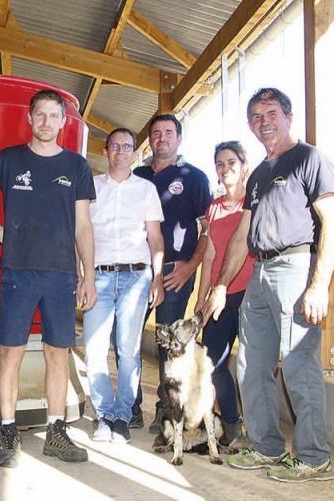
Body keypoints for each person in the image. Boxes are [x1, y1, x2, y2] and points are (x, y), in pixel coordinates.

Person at [204, 88, 334, 482]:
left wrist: (319, 284)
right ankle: (265, 447)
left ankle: (314, 456)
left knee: (299, 364)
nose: (264, 122)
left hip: (297, 266)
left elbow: (333, 221)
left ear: (288, 116)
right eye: (256, 116)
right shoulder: (261, 174)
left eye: (271, 113)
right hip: (259, 274)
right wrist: (220, 284)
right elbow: (243, 234)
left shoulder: (310, 159)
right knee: (250, 365)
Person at [0, 89, 96, 468]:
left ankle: (55, 432)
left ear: (64, 122)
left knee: (57, 353)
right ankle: (8, 431)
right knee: (11, 352)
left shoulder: (77, 167)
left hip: (62, 274)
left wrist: (89, 274)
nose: (47, 122)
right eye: (41, 115)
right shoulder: (9, 160)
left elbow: (83, 226)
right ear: (30, 119)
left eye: (54, 116)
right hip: (18, 271)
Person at [84, 128, 164, 444]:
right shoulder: (90, 187)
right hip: (98, 276)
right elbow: (82, 232)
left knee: (128, 351)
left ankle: (121, 416)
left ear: (134, 153)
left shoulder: (146, 190)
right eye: (115, 146)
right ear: (105, 151)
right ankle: (104, 415)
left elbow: (155, 238)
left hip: (136, 277)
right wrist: (83, 274)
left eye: (127, 146)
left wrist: (157, 278)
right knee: (93, 350)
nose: (121, 151)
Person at [133, 114, 212, 432]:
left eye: (168, 132)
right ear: (149, 140)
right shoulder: (136, 176)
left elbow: (208, 229)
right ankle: (130, 406)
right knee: (126, 340)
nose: (161, 138)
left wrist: (190, 266)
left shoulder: (194, 177)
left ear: (179, 138)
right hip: (136, 270)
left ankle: (166, 410)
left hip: (174, 272)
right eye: (156, 133)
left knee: (170, 342)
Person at [193, 141, 254, 449]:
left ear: (243, 165)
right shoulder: (214, 207)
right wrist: (201, 300)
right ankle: (231, 428)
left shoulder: (253, 201)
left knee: (252, 366)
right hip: (218, 299)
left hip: (247, 292)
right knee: (213, 364)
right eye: (219, 163)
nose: (225, 168)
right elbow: (209, 257)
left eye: (231, 162)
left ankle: (259, 436)